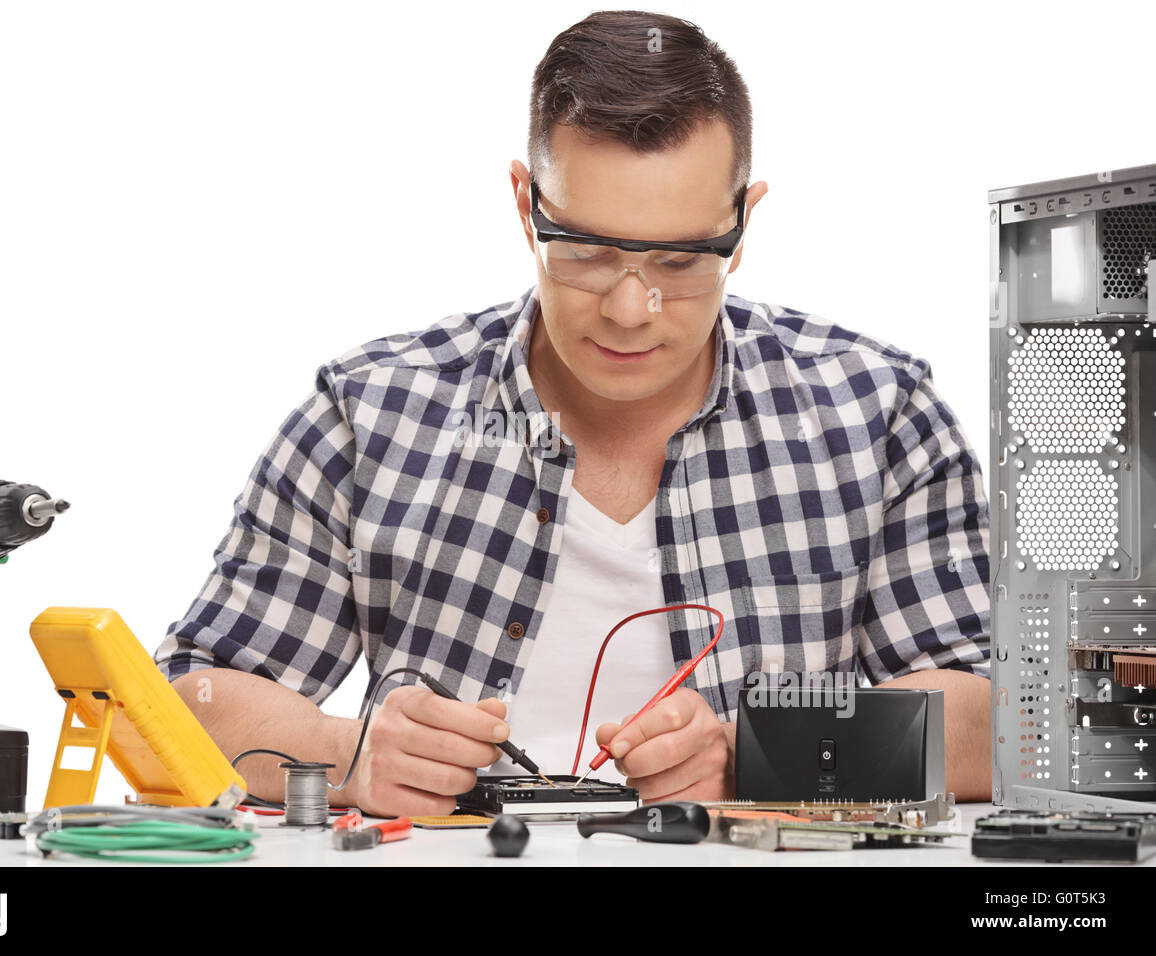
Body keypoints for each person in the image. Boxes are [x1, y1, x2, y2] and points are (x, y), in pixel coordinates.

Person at [154, 10, 992, 816]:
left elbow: (1003, 719)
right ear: (525, 205)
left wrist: (762, 755)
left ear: (742, 226)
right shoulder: (370, 415)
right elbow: (181, 699)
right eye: (587, 251)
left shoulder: (876, 415)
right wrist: (346, 754)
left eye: (681, 256)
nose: (631, 308)